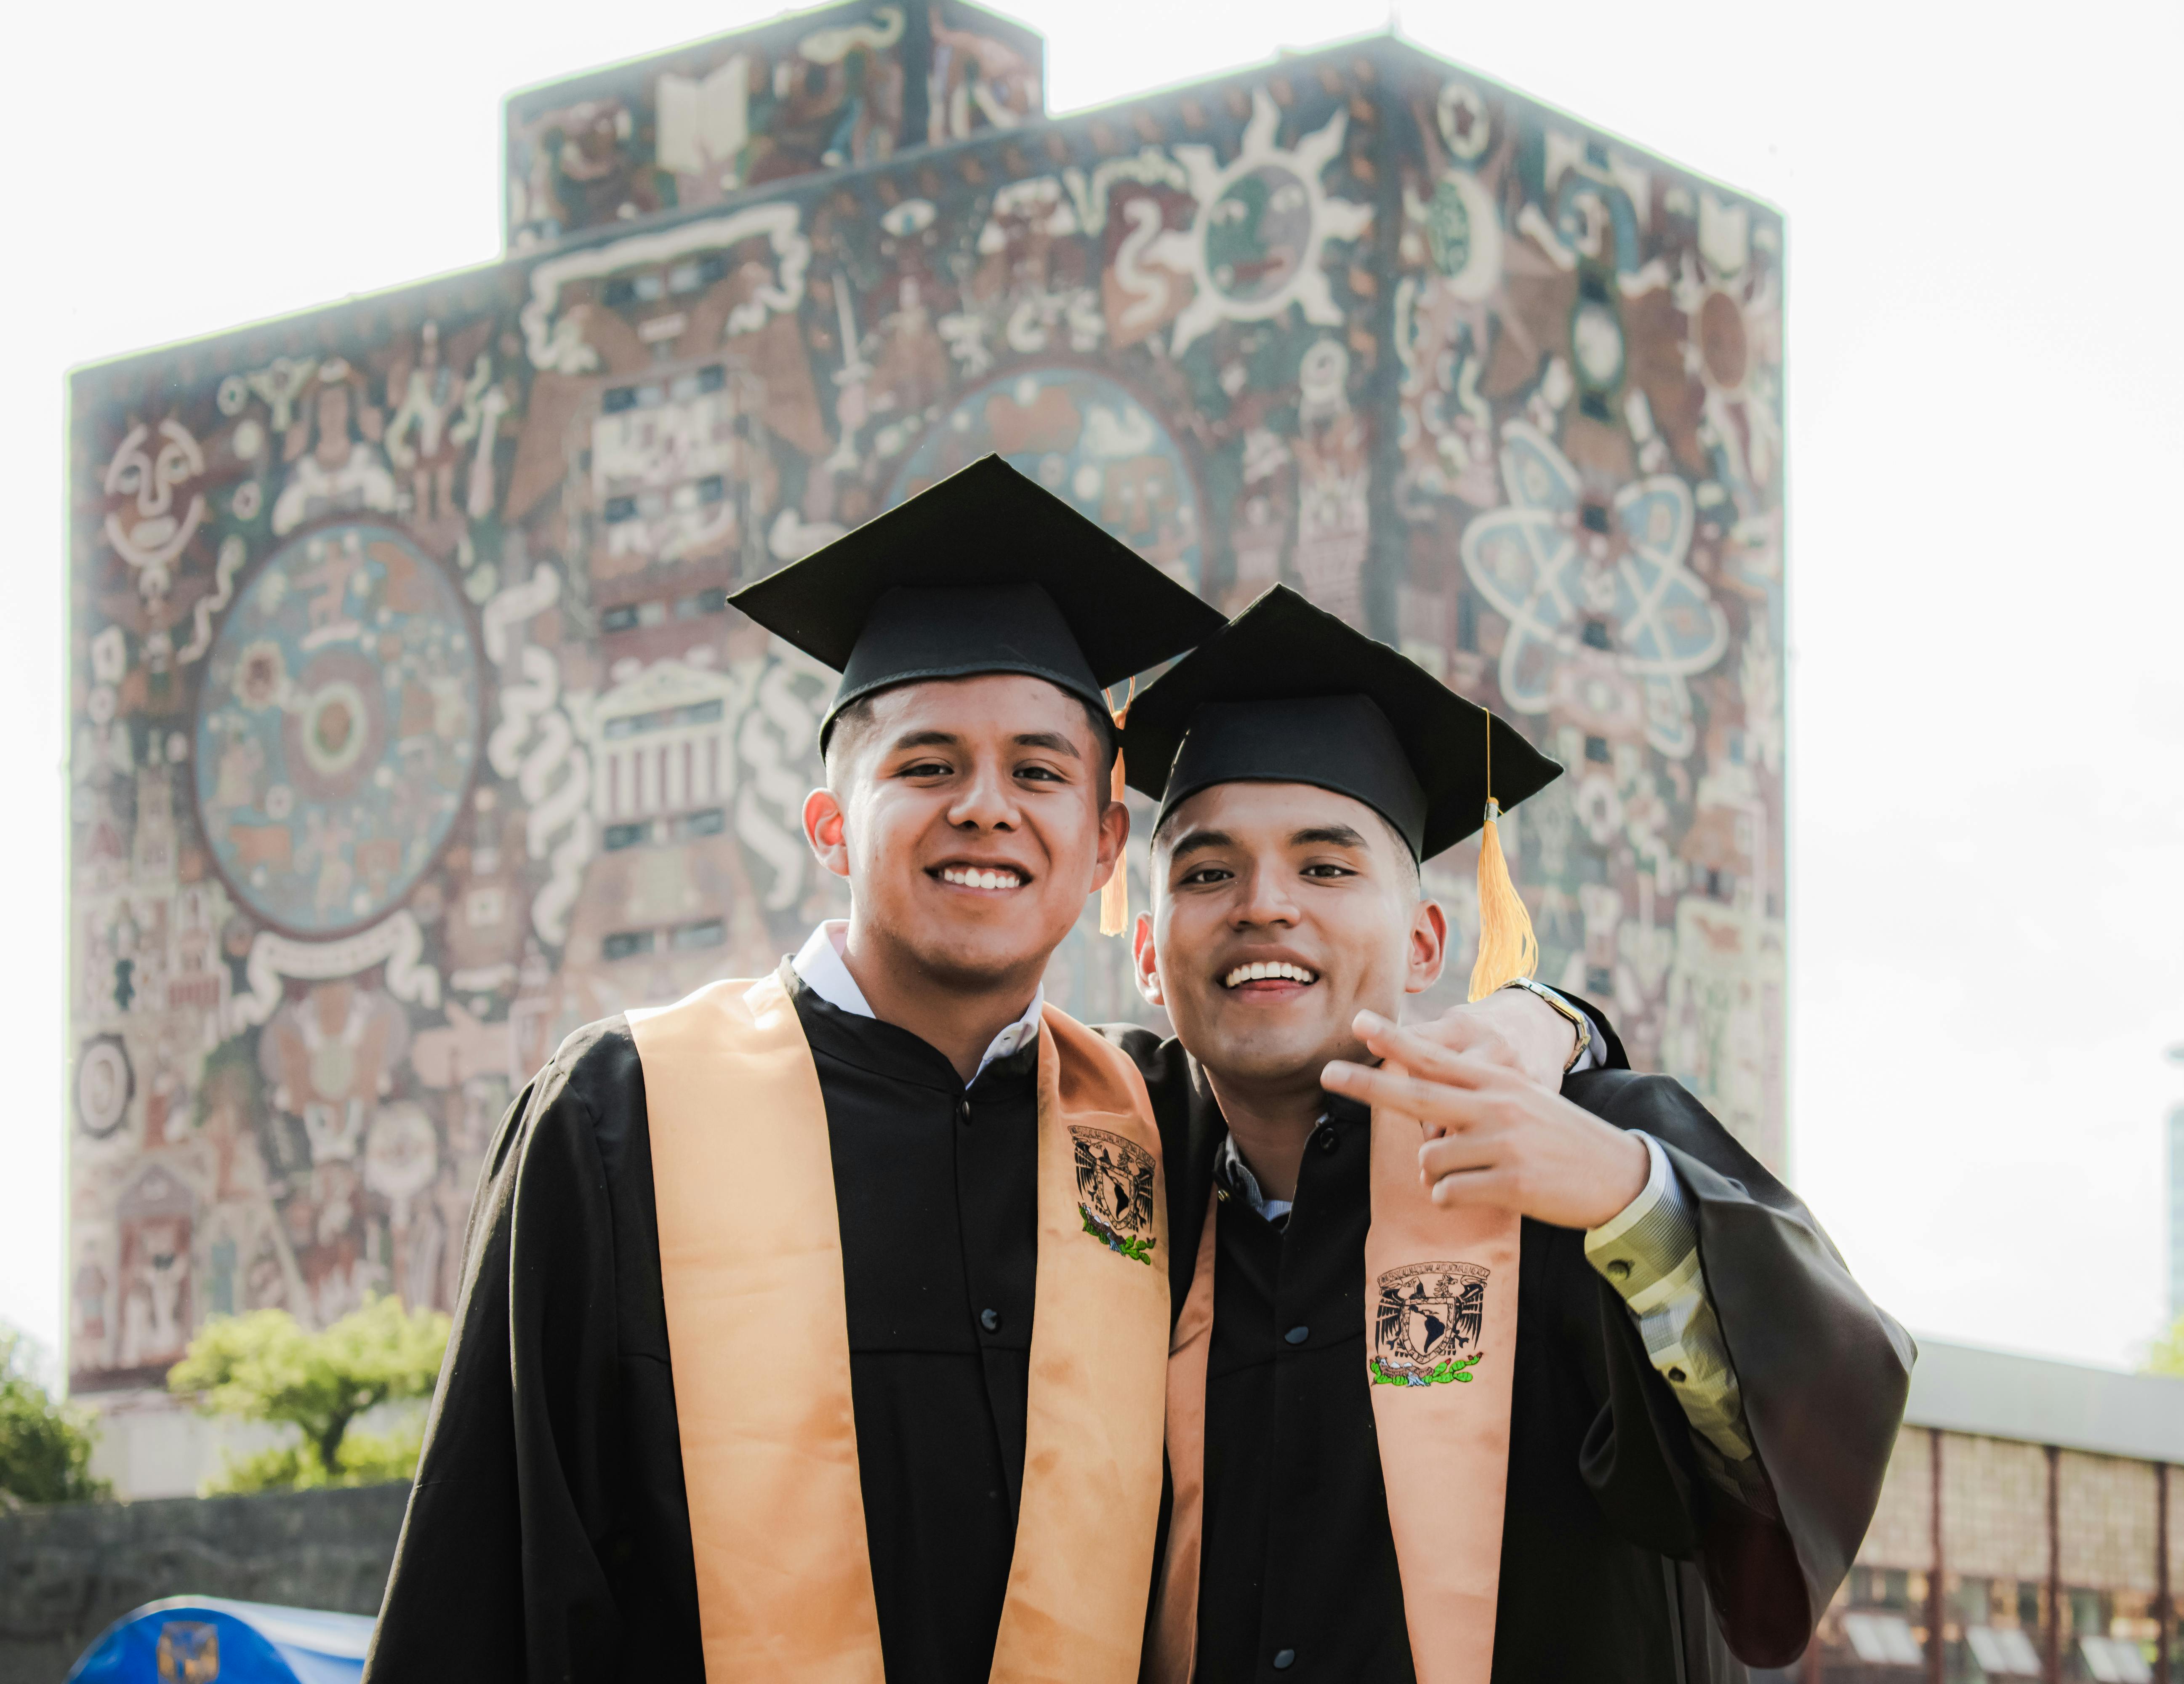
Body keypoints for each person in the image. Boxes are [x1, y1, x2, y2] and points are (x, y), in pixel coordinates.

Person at [366, 461, 1586, 1684]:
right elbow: (490, 1576)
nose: (988, 810)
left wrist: (1552, 1022)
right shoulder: (628, 1114)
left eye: (1043, 773)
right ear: (833, 826)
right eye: (928, 765)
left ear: (1106, 845)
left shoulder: (1156, 1124)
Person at [1107, 585, 1914, 1683]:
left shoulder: (1577, 1153)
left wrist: (1638, 1201)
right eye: (1208, 872)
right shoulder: (1119, 1179)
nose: (1265, 903)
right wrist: (1562, 1012)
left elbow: (1808, 1423)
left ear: (1428, 943)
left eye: (1328, 866)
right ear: (1150, 955)